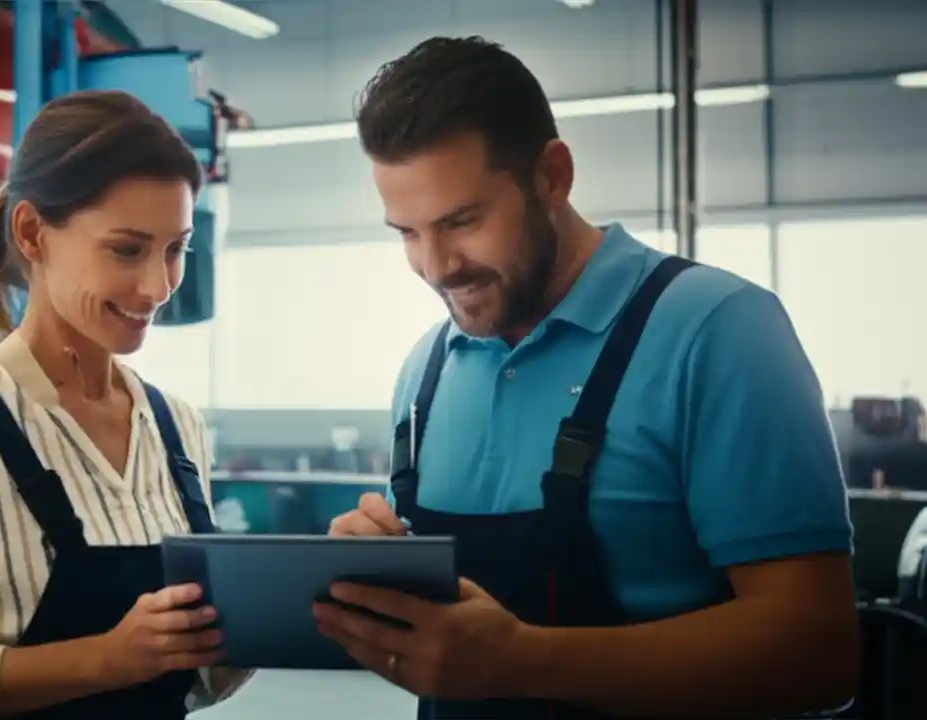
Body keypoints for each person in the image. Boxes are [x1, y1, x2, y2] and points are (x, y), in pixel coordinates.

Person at [318, 37, 859, 719]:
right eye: (406, 232)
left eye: (462, 221)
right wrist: (381, 575)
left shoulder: (719, 330)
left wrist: (520, 660)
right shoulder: (426, 370)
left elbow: (819, 652)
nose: (437, 266)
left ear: (552, 175)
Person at [0, 91, 249, 719]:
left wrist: (270, 624)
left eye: (176, 249)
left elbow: (193, 680)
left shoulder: (178, 428)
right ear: (34, 233)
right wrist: (108, 659)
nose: (157, 286)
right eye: (127, 249)